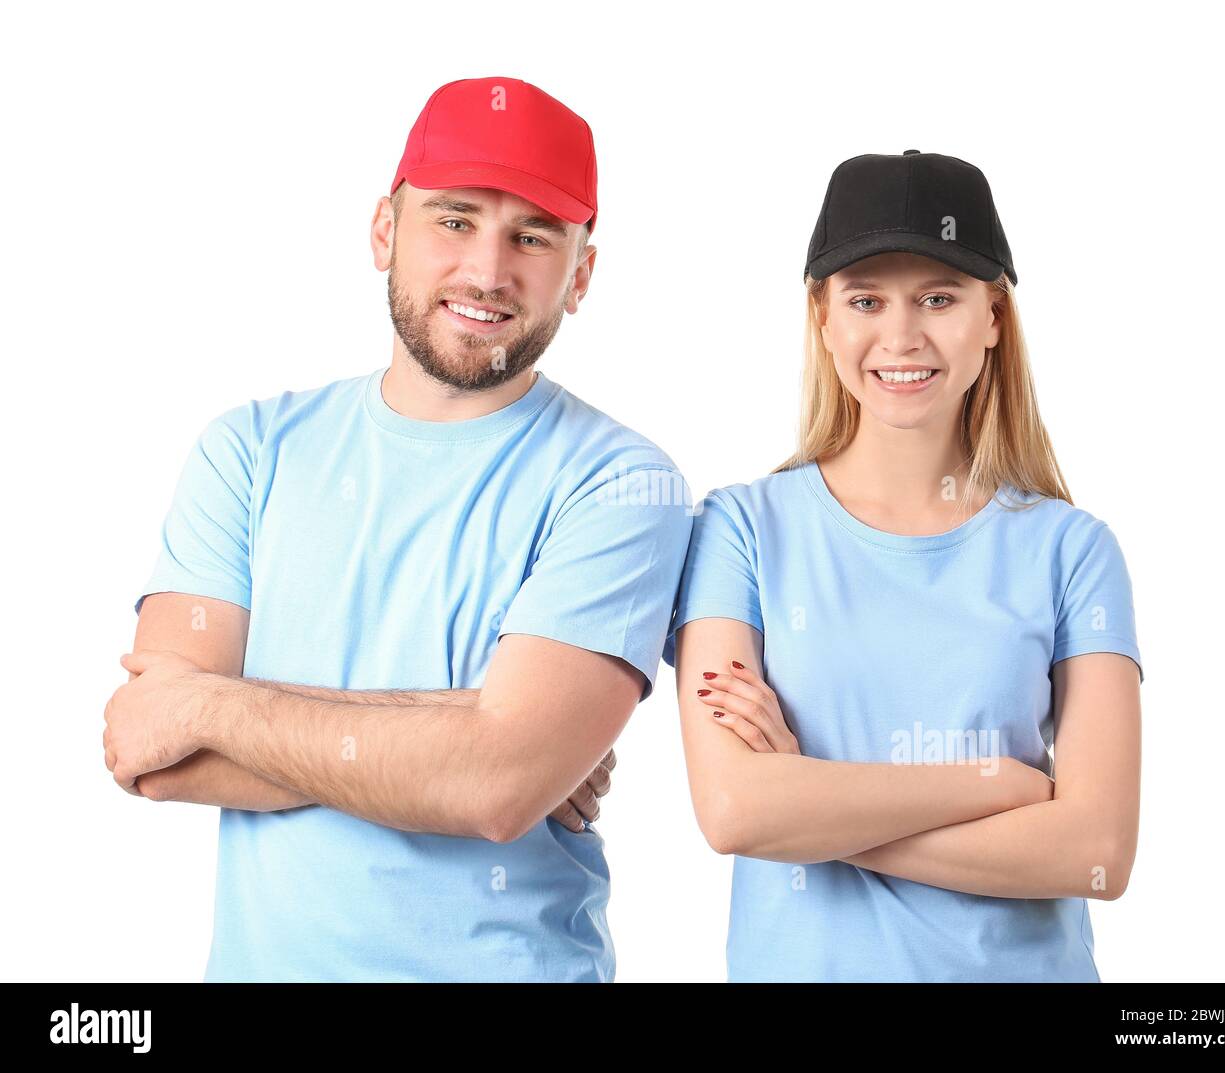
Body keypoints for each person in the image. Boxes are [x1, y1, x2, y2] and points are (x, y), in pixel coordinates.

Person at [103, 76, 693, 983]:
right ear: (385, 230)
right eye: (454, 219)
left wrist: (212, 702)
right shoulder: (250, 452)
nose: (488, 271)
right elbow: (153, 751)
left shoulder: (623, 484)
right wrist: (473, 734)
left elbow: (496, 789)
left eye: (531, 236)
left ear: (580, 273)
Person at [666, 150, 1142, 982]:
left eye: (939, 297)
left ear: (993, 314)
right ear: (823, 316)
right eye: (865, 299)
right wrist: (1000, 784)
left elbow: (1097, 849)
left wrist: (811, 804)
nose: (902, 335)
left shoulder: (1073, 550)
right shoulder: (738, 529)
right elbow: (736, 808)